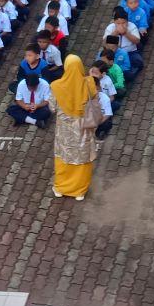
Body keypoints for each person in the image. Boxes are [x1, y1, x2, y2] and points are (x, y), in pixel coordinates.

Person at [47, 53, 100, 200]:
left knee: (63, 156)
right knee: (82, 157)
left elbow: (52, 107)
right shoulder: (89, 83)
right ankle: (79, 191)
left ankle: (61, 188)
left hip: (64, 130)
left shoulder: (56, 86)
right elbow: (95, 100)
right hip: (83, 128)